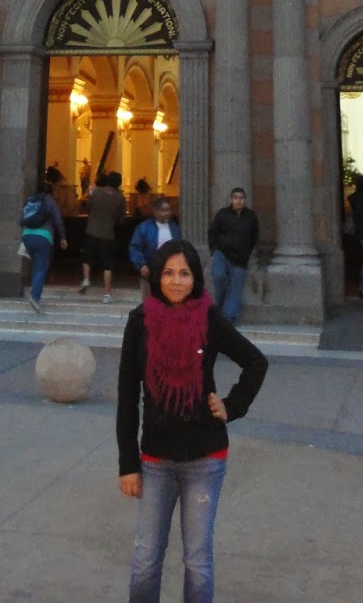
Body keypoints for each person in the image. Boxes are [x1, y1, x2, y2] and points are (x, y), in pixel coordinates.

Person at [117, 239, 268, 603]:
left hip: (205, 456)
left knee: (198, 562)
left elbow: (255, 362)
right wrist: (127, 465)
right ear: (156, 277)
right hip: (155, 459)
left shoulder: (209, 319)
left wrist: (232, 406)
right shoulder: (140, 321)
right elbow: (126, 397)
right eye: (168, 273)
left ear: (196, 278)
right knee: (144, 562)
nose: (175, 281)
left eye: (184, 273)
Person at [207, 186, 259, 323]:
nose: (238, 201)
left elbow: (254, 236)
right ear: (231, 199)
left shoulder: (251, 217)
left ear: (245, 200)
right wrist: (214, 250)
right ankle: (219, 306)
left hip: (241, 257)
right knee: (219, 276)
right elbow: (213, 232)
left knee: (236, 288)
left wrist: (247, 253)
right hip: (222, 254)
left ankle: (227, 318)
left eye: (241, 198)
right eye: (236, 198)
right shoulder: (222, 214)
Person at [20, 180, 68, 313]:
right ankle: (35, 297)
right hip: (43, 236)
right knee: (41, 267)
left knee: (36, 265)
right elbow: (58, 220)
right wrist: (63, 237)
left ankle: (37, 295)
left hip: (27, 236)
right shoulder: (50, 201)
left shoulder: (30, 200)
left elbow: (23, 217)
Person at [80, 170, 126, 302]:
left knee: (87, 258)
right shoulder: (120, 198)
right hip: (108, 235)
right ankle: (106, 294)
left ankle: (86, 279)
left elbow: (87, 208)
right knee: (107, 265)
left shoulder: (97, 193)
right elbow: (121, 219)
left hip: (91, 231)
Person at [128, 196, 180, 294]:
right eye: (163, 210)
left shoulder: (174, 227)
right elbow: (135, 247)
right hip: (150, 270)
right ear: (155, 211)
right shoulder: (144, 228)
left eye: (168, 210)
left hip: (171, 269)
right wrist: (141, 265)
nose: (166, 213)